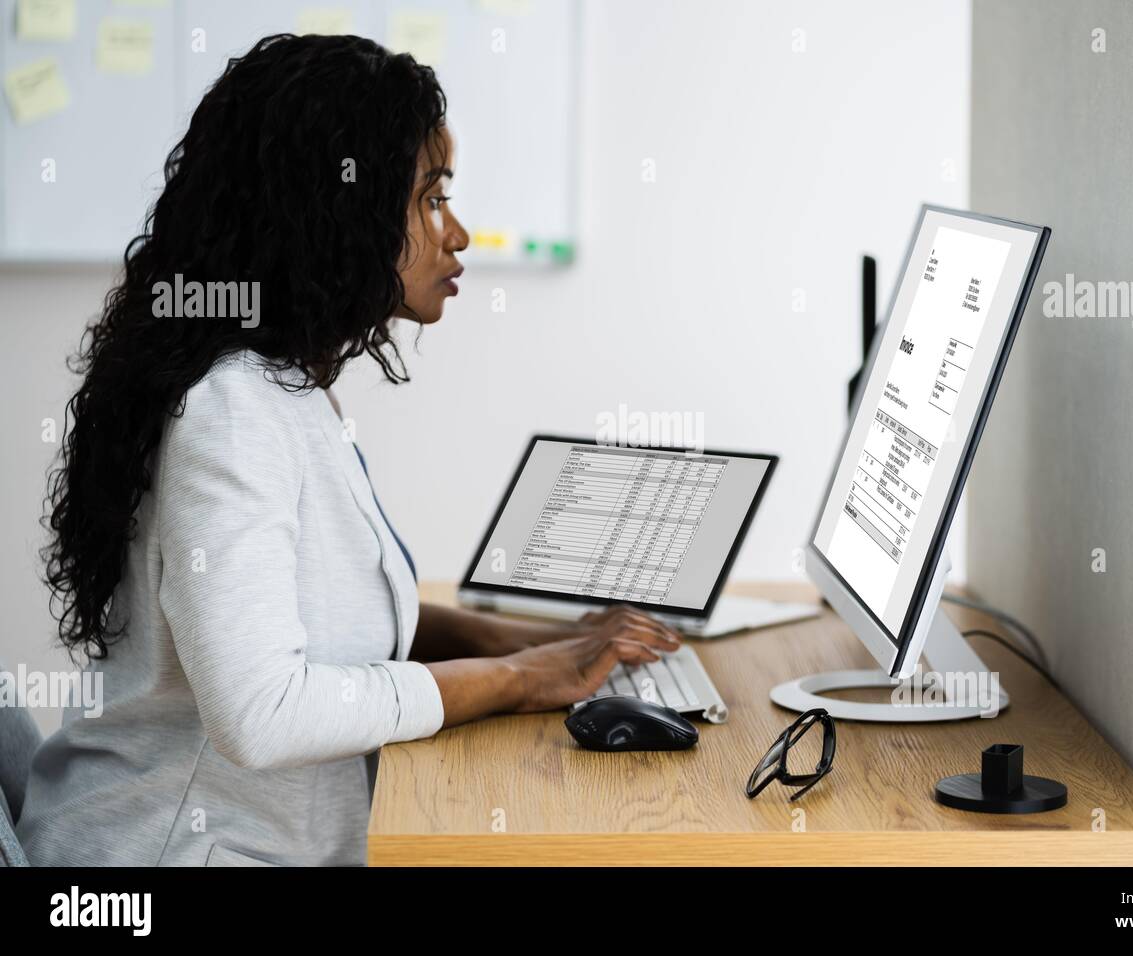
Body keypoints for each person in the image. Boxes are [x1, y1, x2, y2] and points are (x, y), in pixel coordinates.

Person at [19, 33, 678, 867]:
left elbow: (341, 626)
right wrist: (523, 680)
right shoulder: (230, 413)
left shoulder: (279, 385)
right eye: (431, 199)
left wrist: (534, 644)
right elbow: (266, 711)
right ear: (337, 213)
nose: (459, 233)